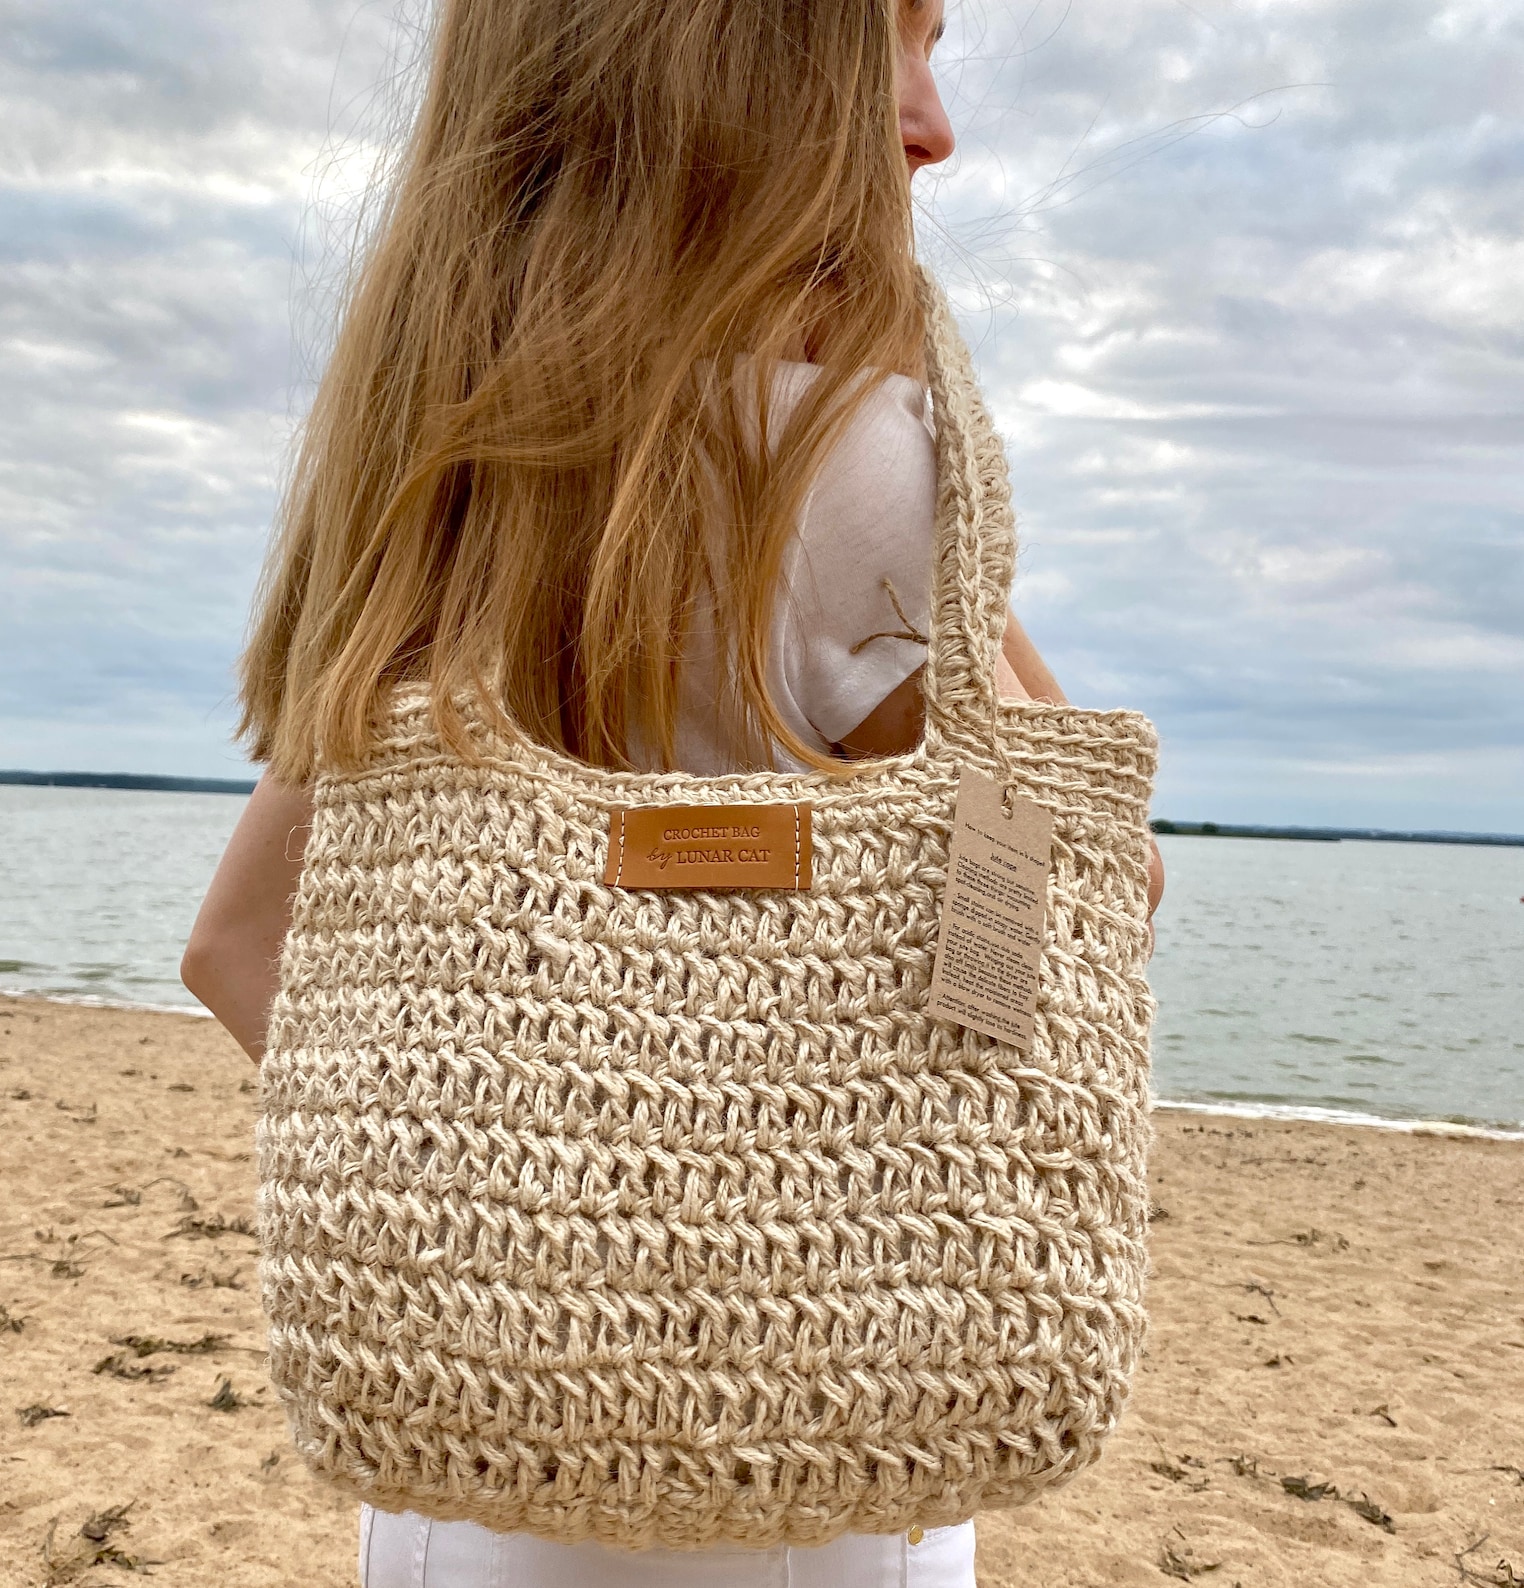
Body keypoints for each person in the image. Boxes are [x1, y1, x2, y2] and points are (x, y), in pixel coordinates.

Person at [183, 0, 1164, 1581]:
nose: (933, 122)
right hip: (837, 1467)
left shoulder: (432, 471)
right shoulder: (852, 464)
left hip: (463, 1471)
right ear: (723, 71)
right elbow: (1079, 899)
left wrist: (521, 1182)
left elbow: (233, 949)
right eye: (892, 45)